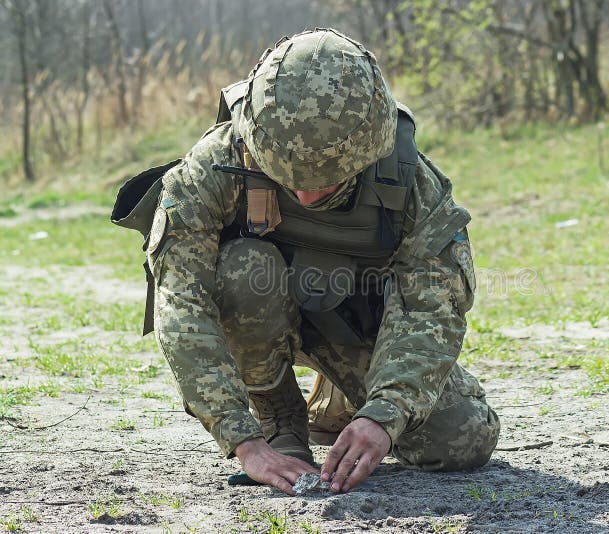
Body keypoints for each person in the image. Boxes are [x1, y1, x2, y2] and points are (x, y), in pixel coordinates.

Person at [111, 28, 499, 496]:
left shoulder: (413, 183)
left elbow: (429, 308)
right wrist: (242, 438)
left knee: (463, 438)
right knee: (242, 270)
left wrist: (384, 413)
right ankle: (279, 417)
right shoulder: (211, 167)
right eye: (289, 175)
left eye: (329, 178)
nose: (308, 194)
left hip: (359, 327)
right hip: (258, 320)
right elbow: (183, 305)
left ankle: (337, 407)